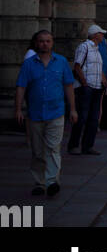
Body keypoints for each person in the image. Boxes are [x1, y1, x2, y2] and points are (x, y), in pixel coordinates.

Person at [15, 30, 77, 198]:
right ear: (36, 43)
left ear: (52, 43)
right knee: (37, 150)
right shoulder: (28, 64)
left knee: (53, 148)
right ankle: (39, 182)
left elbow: (68, 86)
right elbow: (21, 87)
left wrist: (72, 109)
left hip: (56, 112)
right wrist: (18, 109)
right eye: (41, 41)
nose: (44, 44)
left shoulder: (61, 62)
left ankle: (51, 182)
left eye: (48, 41)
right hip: (35, 114)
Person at [68, 24, 107, 156]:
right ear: (94, 35)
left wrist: (106, 85)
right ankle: (74, 145)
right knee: (81, 117)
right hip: (86, 88)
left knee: (94, 119)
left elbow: (100, 71)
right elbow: (77, 66)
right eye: (100, 33)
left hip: (97, 87)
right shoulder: (84, 47)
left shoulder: (97, 50)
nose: (102, 36)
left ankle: (88, 146)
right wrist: (84, 84)